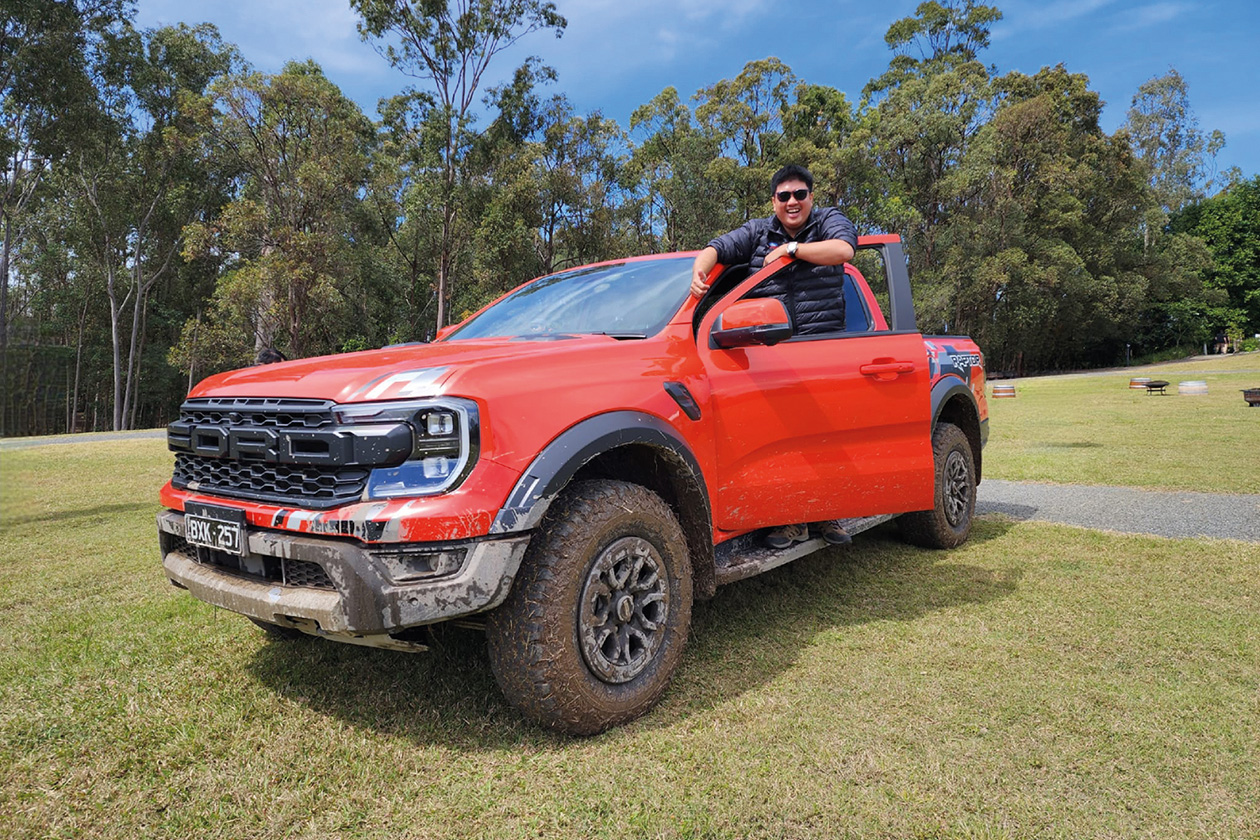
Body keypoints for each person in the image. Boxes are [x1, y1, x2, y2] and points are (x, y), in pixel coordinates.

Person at [690, 163, 857, 549]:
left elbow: (844, 250)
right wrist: (699, 271)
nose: (793, 202)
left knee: (822, 438)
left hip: (820, 351)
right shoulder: (756, 232)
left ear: (811, 197)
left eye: (800, 194)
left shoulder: (828, 222)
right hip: (770, 355)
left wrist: (791, 250)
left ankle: (827, 513)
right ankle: (791, 520)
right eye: (784, 196)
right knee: (782, 440)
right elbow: (717, 248)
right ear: (774, 201)